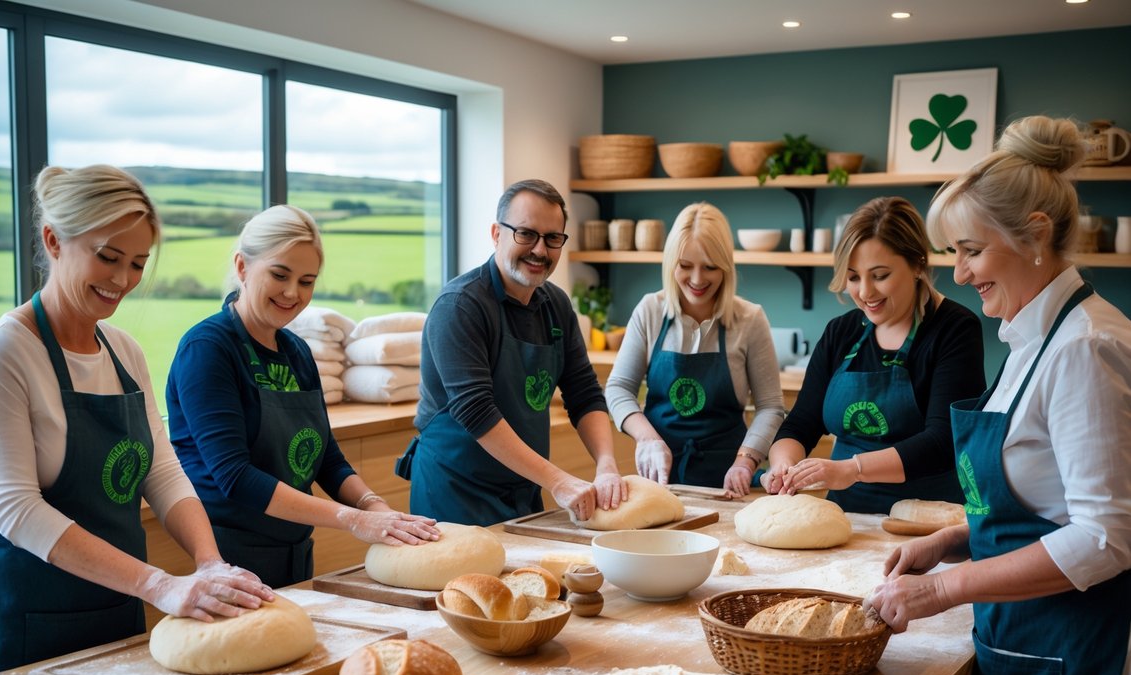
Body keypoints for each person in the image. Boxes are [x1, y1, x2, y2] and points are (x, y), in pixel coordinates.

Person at [868, 116, 1131, 675]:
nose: (957, 272)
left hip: (1074, 663)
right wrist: (952, 537)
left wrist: (941, 589)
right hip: (1028, 647)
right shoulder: (1031, 337)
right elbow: (1040, 493)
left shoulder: (1084, 347)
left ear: (1034, 234)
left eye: (970, 250)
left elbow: (1104, 537)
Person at [0, 165, 274, 675]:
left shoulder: (124, 352)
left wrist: (209, 563)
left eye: (138, 263)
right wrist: (160, 586)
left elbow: (162, 473)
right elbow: (15, 509)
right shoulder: (2, 350)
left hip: (115, 609)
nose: (123, 280)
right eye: (108, 257)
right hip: (14, 621)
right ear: (53, 240)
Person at [166, 205, 439, 588]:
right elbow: (235, 477)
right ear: (242, 266)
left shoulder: (296, 351)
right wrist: (354, 520)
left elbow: (326, 457)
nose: (293, 293)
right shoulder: (208, 349)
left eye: (307, 281)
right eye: (280, 275)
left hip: (295, 547)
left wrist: (375, 506)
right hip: (229, 558)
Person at [397, 179, 625, 526]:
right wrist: (558, 480)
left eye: (552, 239)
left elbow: (585, 393)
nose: (539, 250)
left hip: (521, 487)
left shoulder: (557, 305)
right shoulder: (460, 306)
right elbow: (475, 412)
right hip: (455, 493)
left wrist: (606, 465)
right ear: (496, 234)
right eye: (526, 234)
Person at [762, 196, 986, 513]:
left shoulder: (954, 329)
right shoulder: (841, 331)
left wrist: (850, 469)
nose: (865, 293)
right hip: (847, 514)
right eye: (853, 277)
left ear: (918, 264)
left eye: (880, 275)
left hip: (928, 519)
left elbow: (942, 441)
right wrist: (783, 466)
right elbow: (800, 423)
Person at [604, 202, 784, 497]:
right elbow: (618, 388)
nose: (698, 279)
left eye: (710, 267)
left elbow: (771, 406)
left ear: (726, 266)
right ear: (670, 262)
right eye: (685, 266)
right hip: (659, 478)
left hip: (730, 480)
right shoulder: (650, 310)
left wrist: (746, 461)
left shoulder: (750, 319)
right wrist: (648, 440)